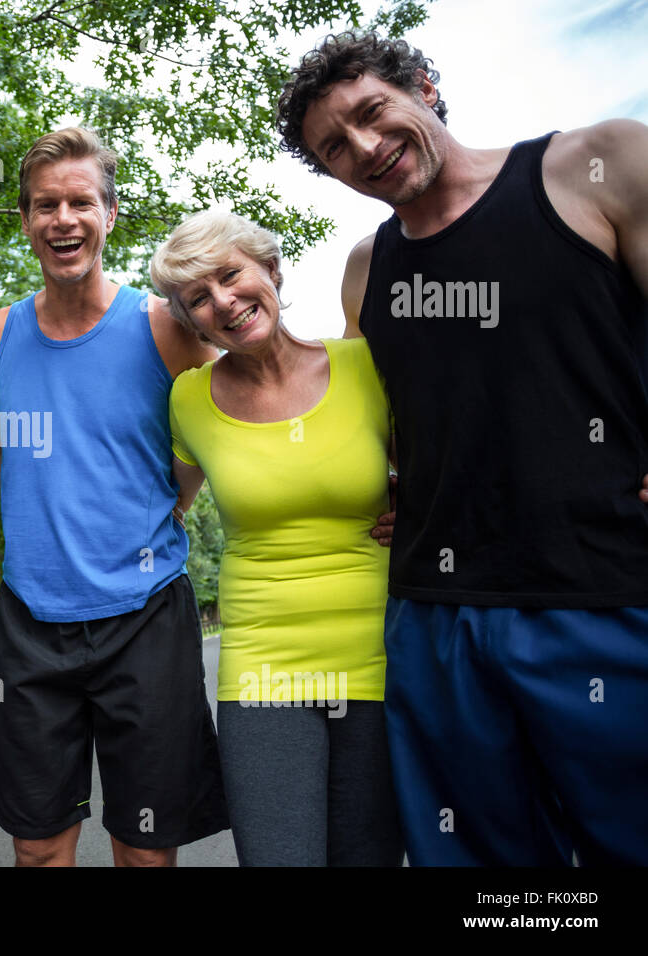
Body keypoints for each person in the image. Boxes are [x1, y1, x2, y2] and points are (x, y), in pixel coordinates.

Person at [277, 30, 648, 865]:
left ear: (425, 85)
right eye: (334, 147)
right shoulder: (367, 268)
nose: (365, 148)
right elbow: (365, 419)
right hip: (435, 615)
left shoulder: (597, 164)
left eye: (372, 113)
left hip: (606, 593)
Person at [0, 128, 228, 865]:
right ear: (25, 221)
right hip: (32, 621)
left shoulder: (163, 326)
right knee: (39, 848)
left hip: (146, 619)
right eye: (46, 205)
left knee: (143, 849)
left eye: (80, 202)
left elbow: (221, 425)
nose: (63, 219)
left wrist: (174, 497)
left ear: (110, 214)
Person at [150, 208, 402, 865]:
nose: (223, 302)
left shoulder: (366, 366)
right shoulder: (189, 399)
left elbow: (445, 471)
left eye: (231, 275)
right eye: (198, 298)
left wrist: (424, 509)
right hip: (264, 668)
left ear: (271, 268)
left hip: (379, 656)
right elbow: (160, 509)